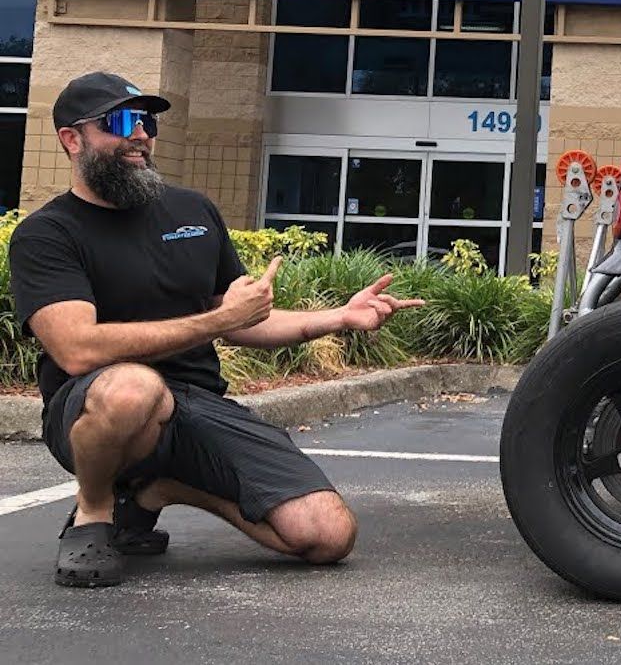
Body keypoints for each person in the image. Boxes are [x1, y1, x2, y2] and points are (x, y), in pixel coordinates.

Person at [9, 72, 424, 588]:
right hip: (94, 407)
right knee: (133, 388)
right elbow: (77, 349)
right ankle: (95, 511)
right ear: (73, 139)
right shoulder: (47, 235)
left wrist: (339, 317)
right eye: (119, 121)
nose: (139, 134)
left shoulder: (193, 211)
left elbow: (242, 321)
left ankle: (158, 490)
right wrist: (220, 320)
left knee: (327, 535)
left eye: (147, 121)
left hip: (198, 403)